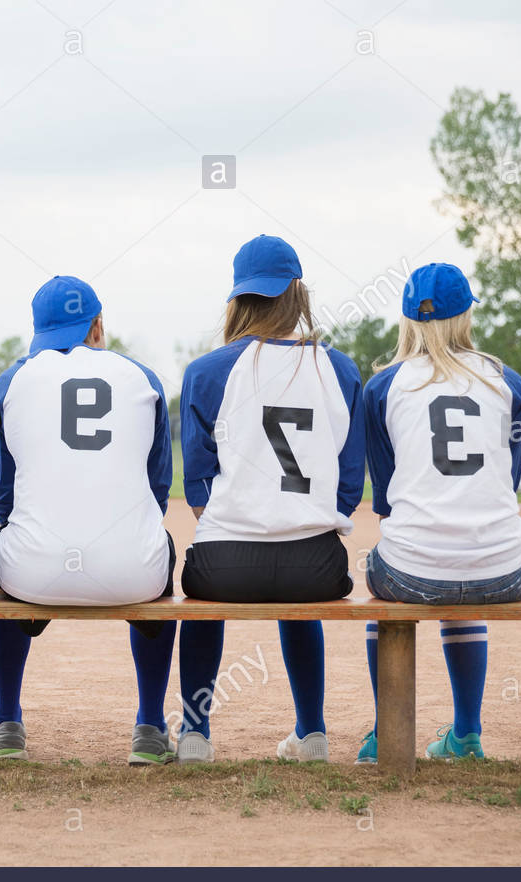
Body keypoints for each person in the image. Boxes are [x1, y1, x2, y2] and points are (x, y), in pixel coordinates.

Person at [178, 235, 364, 764]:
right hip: (318, 565)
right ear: (297, 293)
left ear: (237, 299)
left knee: (200, 605)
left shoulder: (207, 371)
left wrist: (243, 518)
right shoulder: (342, 369)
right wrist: (298, 519)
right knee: (300, 602)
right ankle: (313, 735)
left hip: (224, 564)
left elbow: (197, 486)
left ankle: (194, 735)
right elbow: (350, 485)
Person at [0, 275, 177, 764]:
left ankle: (6, 722)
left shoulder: (12, 380)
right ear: (97, 326)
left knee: (2, 545)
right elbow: (158, 488)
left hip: (32, 574)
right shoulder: (144, 377)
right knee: (160, 545)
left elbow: (1, 491)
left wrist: (26, 528)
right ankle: (151, 727)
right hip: (132, 573)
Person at [356, 263, 521, 763]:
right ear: (467, 313)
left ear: (407, 320)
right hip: (505, 573)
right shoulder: (507, 380)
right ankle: (467, 735)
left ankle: (385, 732)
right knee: (465, 581)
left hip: (411, 570)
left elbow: (386, 498)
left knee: (384, 584)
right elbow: (507, 482)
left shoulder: (383, 387)